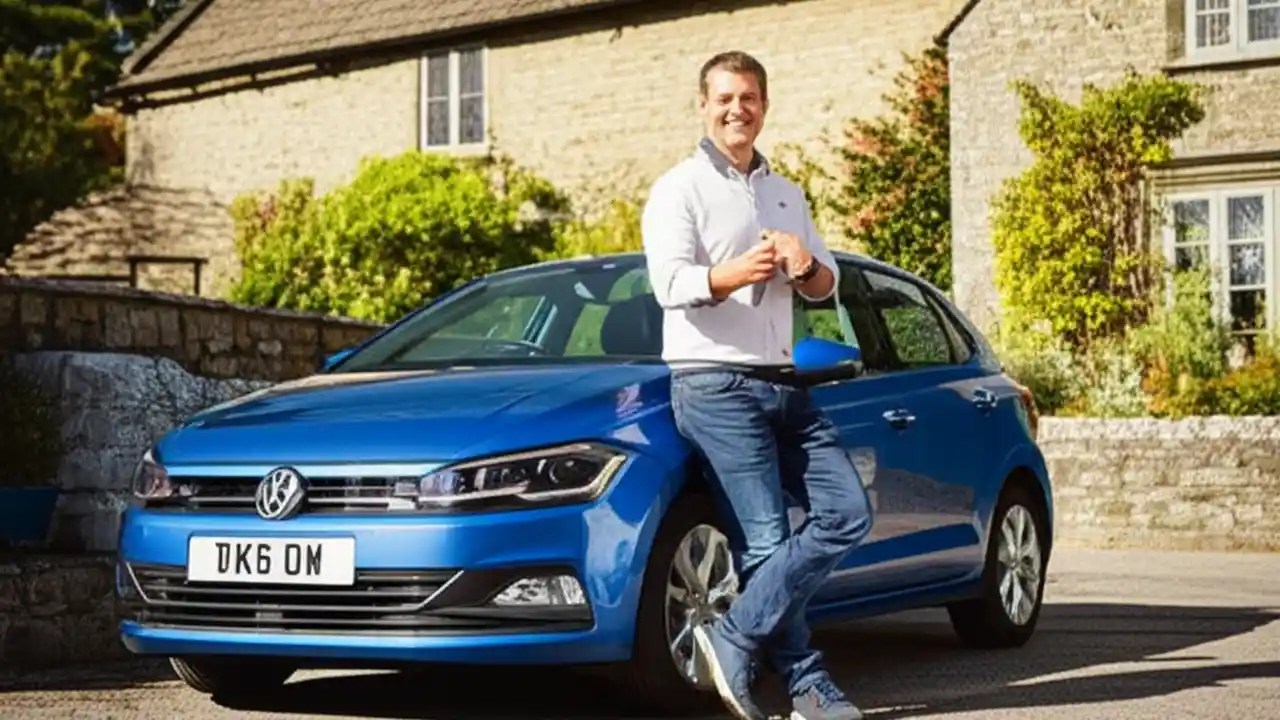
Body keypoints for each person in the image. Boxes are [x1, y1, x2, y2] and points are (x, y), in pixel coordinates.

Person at [640, 51, 874, 720]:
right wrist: (737, 272)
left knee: (847, 511)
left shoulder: (786, 193)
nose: (736, 109)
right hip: (712, 382)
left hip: (785, 381)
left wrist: (803, 267)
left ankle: (735, 633)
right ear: (703, 106)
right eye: (724, 98)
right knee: (768, 542)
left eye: (748, 97)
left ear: (764, 106)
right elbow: (670, 285)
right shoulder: (677, 189)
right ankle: (806, 684)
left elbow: (829, 282)